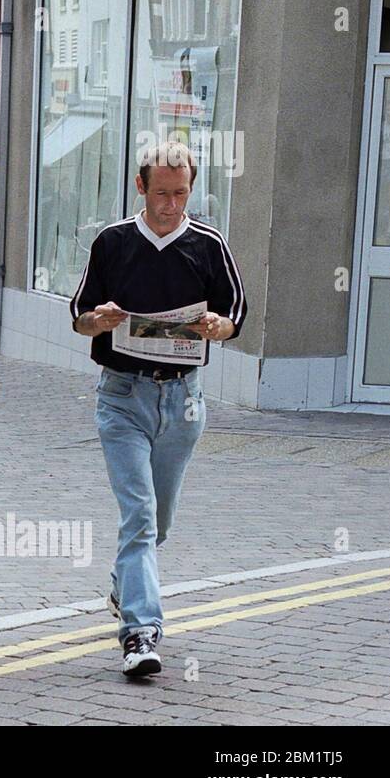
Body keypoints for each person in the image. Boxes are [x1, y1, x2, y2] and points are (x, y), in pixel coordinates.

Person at [70, 142, 246, 677]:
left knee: (157, 521)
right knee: (140, 516)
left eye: (182, 193)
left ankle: (125, 587)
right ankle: (140, 633)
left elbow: (235, 311)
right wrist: (97, 320)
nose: (172, 204)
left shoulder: (209, 245)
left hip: (184, 402)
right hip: (122, 397)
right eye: (162, 193)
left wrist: (221, 326)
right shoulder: (112, 242)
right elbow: (78, 315)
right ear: (140, 187)